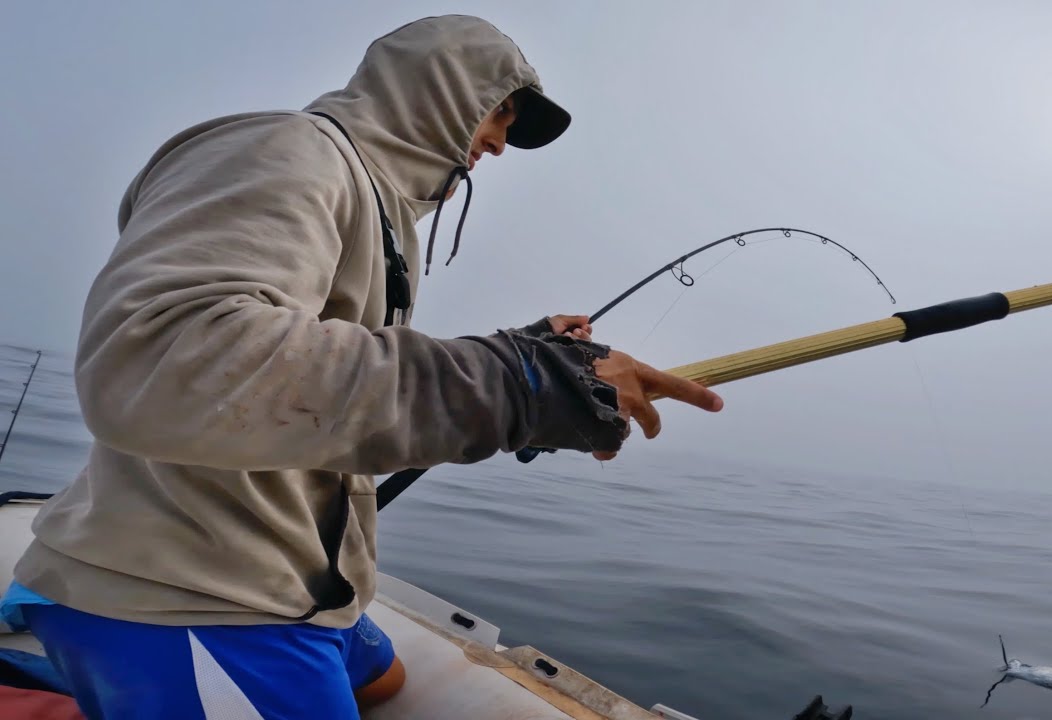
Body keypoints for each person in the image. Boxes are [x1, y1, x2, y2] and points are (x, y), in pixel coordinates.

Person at [0, 14, 723, 719]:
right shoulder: (287, 151)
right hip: (190, 589)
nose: (500, 144)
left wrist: (526, 348)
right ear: (434, 89)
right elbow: (162, 362)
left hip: (291, 573)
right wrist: (518, 382)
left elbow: (321, 364)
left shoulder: (374, 213)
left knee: (384, 684)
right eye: (498, 113)